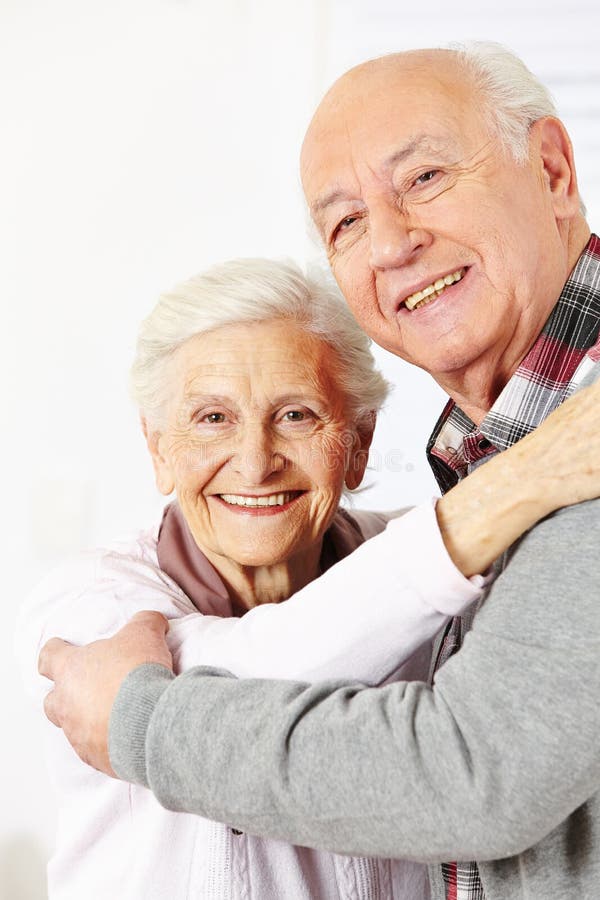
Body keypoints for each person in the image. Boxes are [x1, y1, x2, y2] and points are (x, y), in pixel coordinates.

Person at [38, 42, 600, 900]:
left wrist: (138, 716)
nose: (392, 242)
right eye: (345, 221)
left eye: (424, 178)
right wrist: (505, 491)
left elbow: (469, 770)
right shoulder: (102, 608)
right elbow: (265, 658)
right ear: (157, 448)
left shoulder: (571, 441)